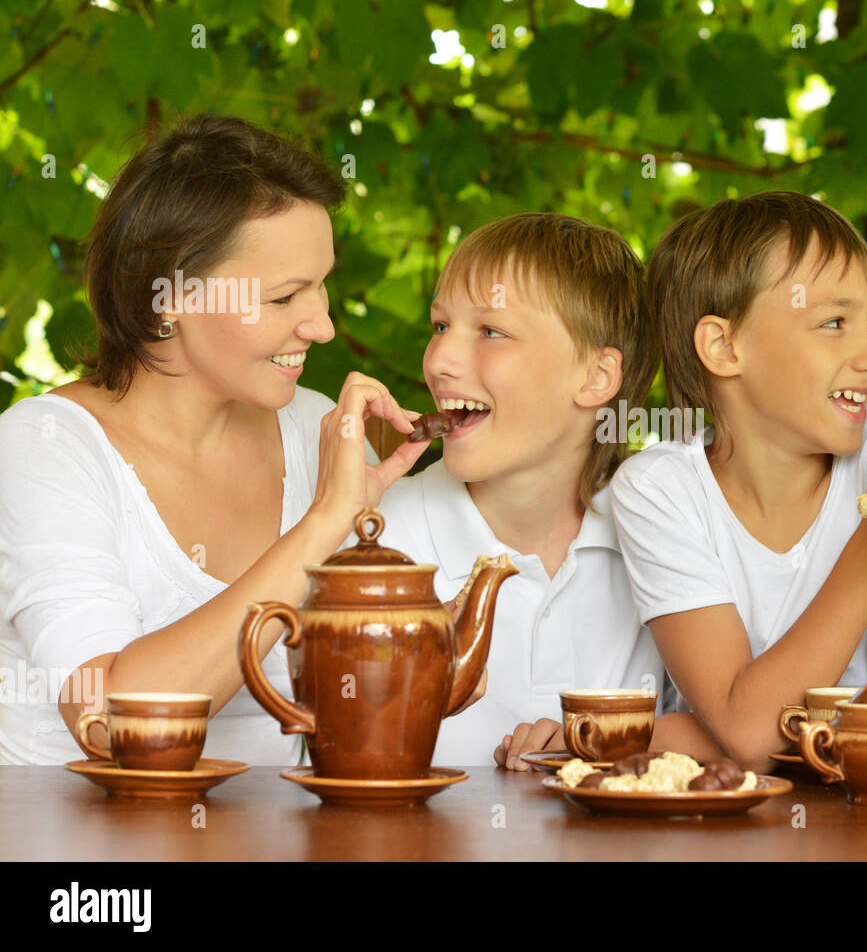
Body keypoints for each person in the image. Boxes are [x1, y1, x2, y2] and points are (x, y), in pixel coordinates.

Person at [0, 115, 430, 765]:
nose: (322, 325)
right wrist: (322, 524)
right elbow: (112, 721)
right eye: (285, 297)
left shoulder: (316, 429)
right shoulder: (47, 447)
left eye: (322, 285)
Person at [610, 192, 867, 772]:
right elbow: (752, 736)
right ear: (724, 348)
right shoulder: (658, 490)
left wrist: (664, 734)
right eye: (834, 322)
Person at [376, 213, 679, 769]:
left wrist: (610, 743)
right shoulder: (381, 541)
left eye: (491, 332)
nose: (439, 361)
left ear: (595, 378)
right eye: (440, 326)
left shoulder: (667, 536)